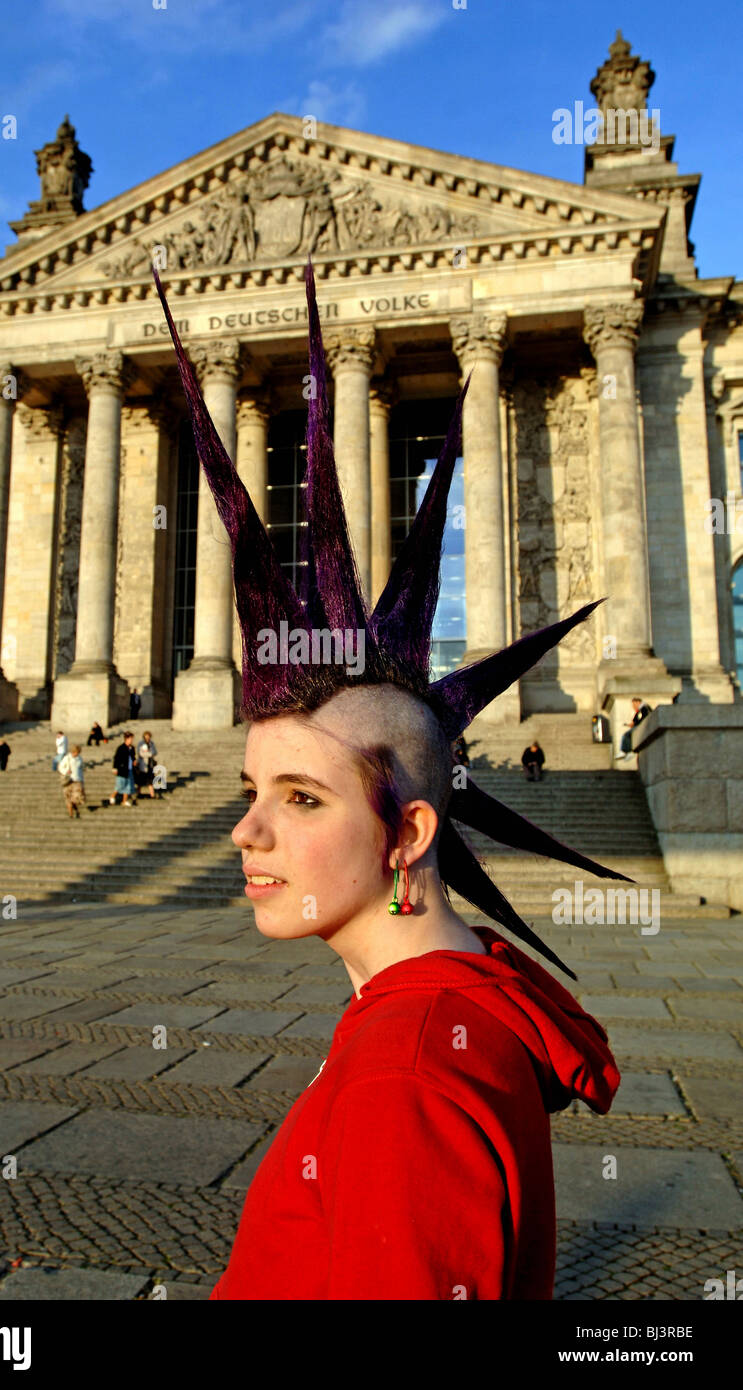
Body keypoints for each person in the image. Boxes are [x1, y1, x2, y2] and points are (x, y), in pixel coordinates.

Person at [153, 258, 621, 1302]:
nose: (245, 833)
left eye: (300, 796)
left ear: (407, 833)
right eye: (249, 790)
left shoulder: (406, 1076)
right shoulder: (465, 1003)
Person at [57, 743, 85, 818]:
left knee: (76, 797)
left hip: (77, 780)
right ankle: (71, 814)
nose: (76, 754)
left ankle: (74, 807)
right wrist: (66, 771)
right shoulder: (67, 758)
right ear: (73, 751)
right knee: (68, 798)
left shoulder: (80, 759)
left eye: (78, 752)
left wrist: (82, 780)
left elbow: (81, 769)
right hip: (68, 780)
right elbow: (60, 767)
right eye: (76, 752)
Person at [109, 731, 136, 806]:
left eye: (132, 739)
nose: (131, 740)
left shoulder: (132, 748)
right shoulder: (121, 748)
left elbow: (133, 757)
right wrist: (115, 768)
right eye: (130, 739)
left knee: (128, 786)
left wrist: (134, 761)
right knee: (120, 785)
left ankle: (124, 801)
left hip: (130, 769)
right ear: (126, 739)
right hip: (122, 769)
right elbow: (116, 758)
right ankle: (112, 796)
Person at [136, 731, 158, 799]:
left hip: (150, 764)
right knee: (140, 780)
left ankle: (152, 794)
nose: (147, 737)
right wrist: (149, 754)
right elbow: (140, 753)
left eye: (148, 736)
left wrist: (148, 753)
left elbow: (155, 752)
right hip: (143, 764)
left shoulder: (152, 743)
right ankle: (138, 793)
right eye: (146, 736)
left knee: (150, 780)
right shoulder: (141, 743)